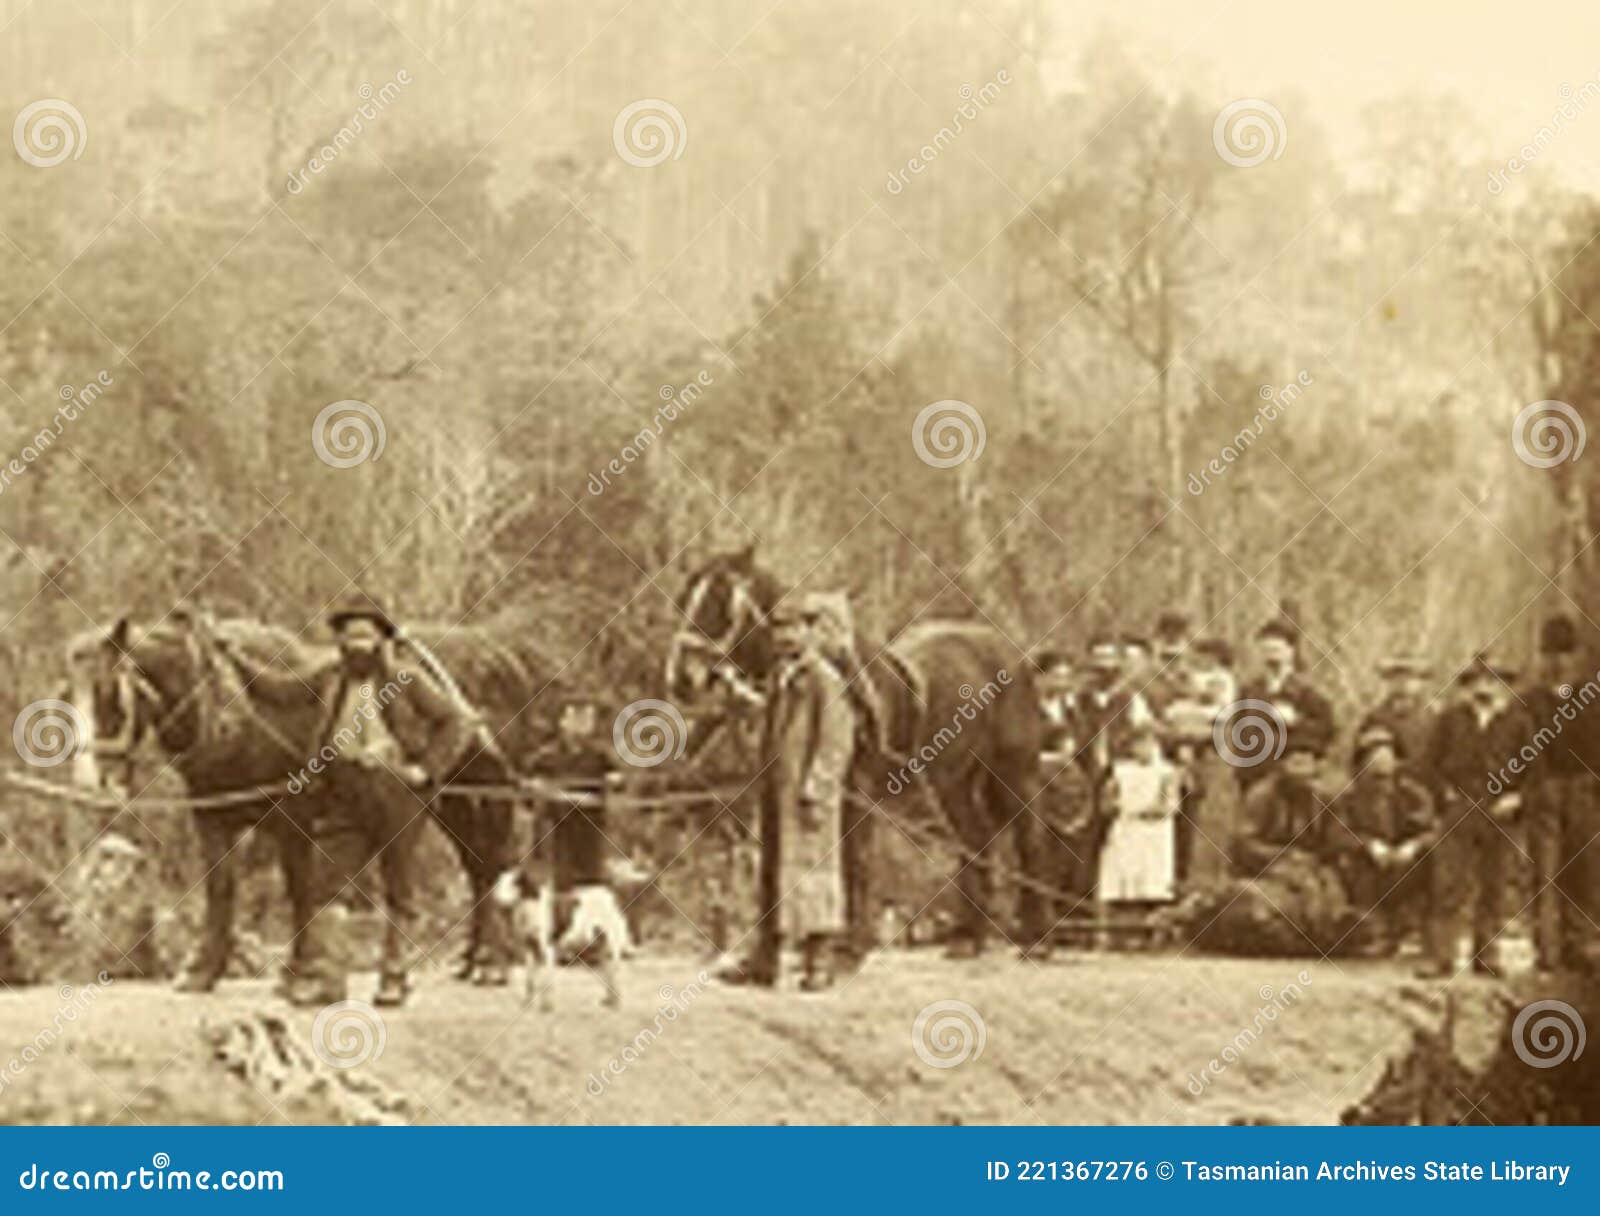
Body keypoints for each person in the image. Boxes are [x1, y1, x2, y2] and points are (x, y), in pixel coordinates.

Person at [218, 592, 484, 1006]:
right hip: (342, 791)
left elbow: (456, 722)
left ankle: (394, 976)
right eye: (349, 636)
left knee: (399, 885)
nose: (357, 645)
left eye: (366, 636)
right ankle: (328, 980)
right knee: (325, 883)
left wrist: (427, 768)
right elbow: (279, 690)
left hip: (398, 793)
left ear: (382, 640)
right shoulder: (330, 677)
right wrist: (233, 658)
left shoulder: (408, 680)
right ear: (339, 640)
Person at [717, 596, 855, 990]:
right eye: (778, 629)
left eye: (793, 628)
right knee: (773, 870)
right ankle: (767, 958)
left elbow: (836, 740)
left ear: (811, 631)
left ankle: (819, 961)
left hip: (808, 796)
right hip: (776, 791)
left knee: (816, 871)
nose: (784, 637)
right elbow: (772, 727)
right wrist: (740, 696)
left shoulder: (825, 681)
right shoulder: (782, 676)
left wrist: (817, 788)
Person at [1421, 654, 1533, 978]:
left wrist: (1516, 798)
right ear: (1469, 686)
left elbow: (1535, 773)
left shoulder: (1519, 722)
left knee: (1494, 885)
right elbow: (1429, 764)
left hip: (1500, 813)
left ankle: (1487, 956)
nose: (1485, 687)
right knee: (1449, 884)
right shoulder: (1450, 719)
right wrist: (1444, 793)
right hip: (1458, 809)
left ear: (1503, 685)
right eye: (1479, 681)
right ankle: (1442, 957)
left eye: (1493, 680)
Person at [1187, 738, 1350, 955]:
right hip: (1265, 866)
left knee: (1331, 892)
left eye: (1307, 764)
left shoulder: (1323, 799)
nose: (1301, 772)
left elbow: (1337, 838)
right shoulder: (1262, 796)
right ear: (1282, 766)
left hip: (1311, 865)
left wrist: (1333, 853)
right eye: (1296, 763)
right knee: (1290, 894)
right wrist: (1285, 856)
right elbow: (1244, 842)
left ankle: (1328, 930)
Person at [1524, 616, 1596, 972]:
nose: (1559, 662)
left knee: (1584, 870)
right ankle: (1547, 949)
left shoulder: (1592, 698)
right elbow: (1518, 750)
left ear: (1578, 656)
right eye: (1551, 654)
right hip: (1544, 789)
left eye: (1566, 653)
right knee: (1545, 872)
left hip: (1585, 791)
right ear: (1542, 658)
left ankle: (1580, 945)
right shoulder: (1530, 702)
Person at [1332, 724, 1436, 956]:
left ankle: (1415, 929)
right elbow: (1336, 835)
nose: (1382, 762)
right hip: (1365, 868)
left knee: (1435, 861)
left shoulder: (1414, 795)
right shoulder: (1347, 799)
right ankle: (1373, 928)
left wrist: (1413, 846)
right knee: (1349, 865)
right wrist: (1369, 845)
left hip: (1406, 864)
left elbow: (1435, 831)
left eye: (1388, 754)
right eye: (1374, 755)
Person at [1235, 618, 1335, 790]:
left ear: (1290, 651)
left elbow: (1327, 730)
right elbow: (1239, 731)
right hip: (1254, 772)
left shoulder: (1309, 690)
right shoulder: (1249, 691)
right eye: (1265, 651)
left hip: (1295, 771)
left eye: (1276, 650)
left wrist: (1295, 721)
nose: (1271, 657)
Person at [1356, 656, 1434, 785]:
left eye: (1410, 677)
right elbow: (1363, 761)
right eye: (1396, 677)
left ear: (1420, 682)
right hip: (1392, 786)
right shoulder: (1376, 718)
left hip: (1428, 783)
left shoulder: (1434, 716)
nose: (1403, 682)